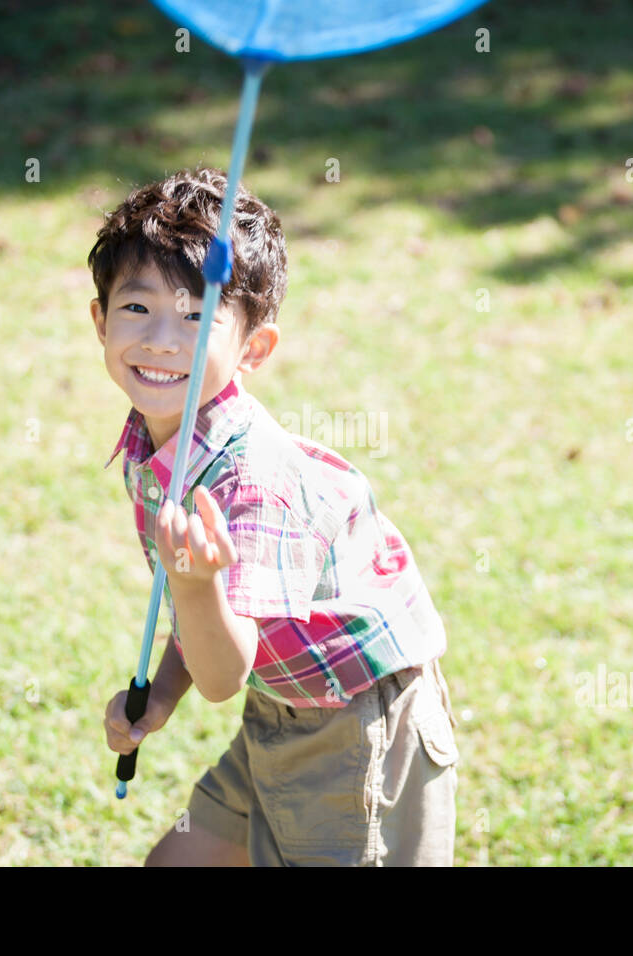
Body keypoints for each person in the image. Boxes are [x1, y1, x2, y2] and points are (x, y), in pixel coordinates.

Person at [90, 166, 459, 866]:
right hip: (282, 706)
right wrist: (163, 693)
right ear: (100, 318)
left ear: (253, 348)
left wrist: (197, 587)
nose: (164, 339)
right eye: (137, 308)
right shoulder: (154, 437)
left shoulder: (250, 485)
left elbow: (226, 671)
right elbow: (210, 623)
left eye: (198, 317)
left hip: (357, 730)